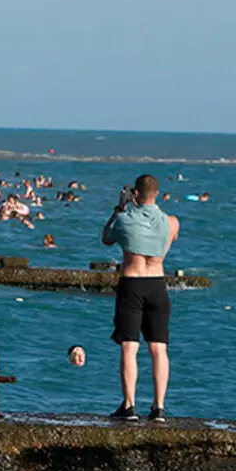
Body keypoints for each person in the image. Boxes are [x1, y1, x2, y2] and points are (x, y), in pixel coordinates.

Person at [102, 174, 179, 422]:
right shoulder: (171, 222)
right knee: (159, 348)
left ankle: (129, 405)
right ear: (157, 193)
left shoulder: (124, 220)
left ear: (135, 194)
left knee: (129, 346)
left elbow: (106, 237)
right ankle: (158, 407)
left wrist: (120, 208)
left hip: (132, 283)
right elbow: (168, 238)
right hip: (158, 283)